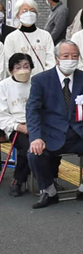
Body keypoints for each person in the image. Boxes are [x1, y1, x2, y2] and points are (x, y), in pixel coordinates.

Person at [26, 40, 83, 208]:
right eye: (66, 56)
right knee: (34, 154)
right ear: (57, 58)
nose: (70, 60)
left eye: (74, 56)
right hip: (51, 134)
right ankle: (48, 190)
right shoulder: (40, 80)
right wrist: (36, 138)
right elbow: (33, 111)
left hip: (80, 134)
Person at [0, 53, 34, 196]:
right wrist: (18, 127)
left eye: (26, 66)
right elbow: (2, 115)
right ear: (11, 70)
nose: (23, 70)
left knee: (55, 142)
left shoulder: (37, 82)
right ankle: (18, 180)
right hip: (15, 126)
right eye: (18, 67)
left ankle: (50, 178)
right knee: (27, 146)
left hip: (36, 124)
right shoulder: (3, 86)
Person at [1, 0, 56, 80]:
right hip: (20, 80)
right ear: (17, 15)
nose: (29, 14)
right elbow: (9, 63)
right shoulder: (11, 38)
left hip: (44, 80)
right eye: (24, 11)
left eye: (32, 11)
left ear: (37, 14)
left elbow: (51, 59)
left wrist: (44, 77)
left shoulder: (45, 35)